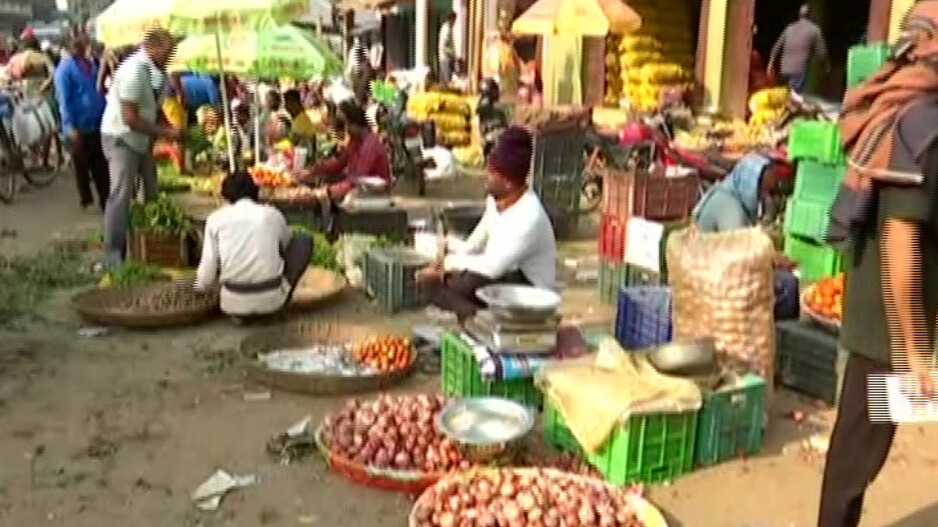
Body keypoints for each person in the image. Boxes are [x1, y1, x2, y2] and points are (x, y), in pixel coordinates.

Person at [819, 4, 938, 524]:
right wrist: (913, 352)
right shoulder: (928, 122)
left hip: (874, 323)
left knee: (854, 455)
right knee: (855, 462)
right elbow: (900, 241)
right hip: (889, 336)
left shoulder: (894, 106)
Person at [416, 126, 558, 321]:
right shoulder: (496, 200)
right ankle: (478, 320)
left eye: (491, 174)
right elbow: (474, 244)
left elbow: (492, 267)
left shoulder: (528, 216)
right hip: (507, 274)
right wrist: (445, 255)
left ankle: (485, 322)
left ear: (508, 182)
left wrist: (446, 265)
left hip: (531, 292)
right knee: (439, 284)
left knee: (460, 283)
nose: (485, 177)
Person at [100, 28, 182, 268]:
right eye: (168, 51)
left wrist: (170, 128)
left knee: (151, 191)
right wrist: (167, 133)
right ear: (152, 48)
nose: (170, 57)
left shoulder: (156, 71)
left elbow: (152, 108)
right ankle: (113, 256)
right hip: (121, 137)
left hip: (141, 138)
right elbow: (130, 118)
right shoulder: (134, 71)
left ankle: (150, 246)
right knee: (121, 195)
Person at [692, 153, 799, 320]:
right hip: (714, 281)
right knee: (788, 285)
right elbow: (742, 255)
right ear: (751, 183)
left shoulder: (731, 195)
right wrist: (773, 261)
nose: (764, 196)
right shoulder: (729, 206)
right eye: (762, 189)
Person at [195, 170, 313, 321]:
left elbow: (207, 268)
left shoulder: (215, 219)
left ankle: (242, 312)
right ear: (254, 191)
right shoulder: (271, 214)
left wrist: (199, 288)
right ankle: (276, 301)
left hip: (232, 303)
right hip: (272, 299)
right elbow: (286, 245)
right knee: (303, 240)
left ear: (225, 195)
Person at [54, 35, 109, 211]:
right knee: (82, 162)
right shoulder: (65, 69)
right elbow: (64, 100)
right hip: (78, 124)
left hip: (96, 120)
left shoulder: (91, 64)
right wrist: (70, 126)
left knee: (100, 163)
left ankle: (105, 199)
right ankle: (86, 196)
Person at [308, 100, 391, 202]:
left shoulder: (370, 144)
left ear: (353, 124)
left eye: (345, 124)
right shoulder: (355, 140)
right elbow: (341, 162)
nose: (345, 129)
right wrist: (316, 170)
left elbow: (358, 178)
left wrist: (328, 191)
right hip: (357, 187)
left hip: (371, 193)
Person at [768, 4, 830, 95]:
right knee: (794, 95)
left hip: (784, 67)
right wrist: (826, 66)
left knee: (781, 94)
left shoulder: (790, 28)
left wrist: (770, 63)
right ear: (811, 15)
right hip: (799, 68)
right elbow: (822, 52)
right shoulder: (814, 30)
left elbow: (777, 46)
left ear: (799, 14)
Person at [438, 12, 457, 85]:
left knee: (447, 78)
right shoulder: (447, 29)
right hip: (446, 58)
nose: (455, 22)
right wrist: (452, 53)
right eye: (454, 20)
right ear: (451, 19)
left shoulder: (448, 28)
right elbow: (443, 46)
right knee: (447, 79)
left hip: (446, 58)